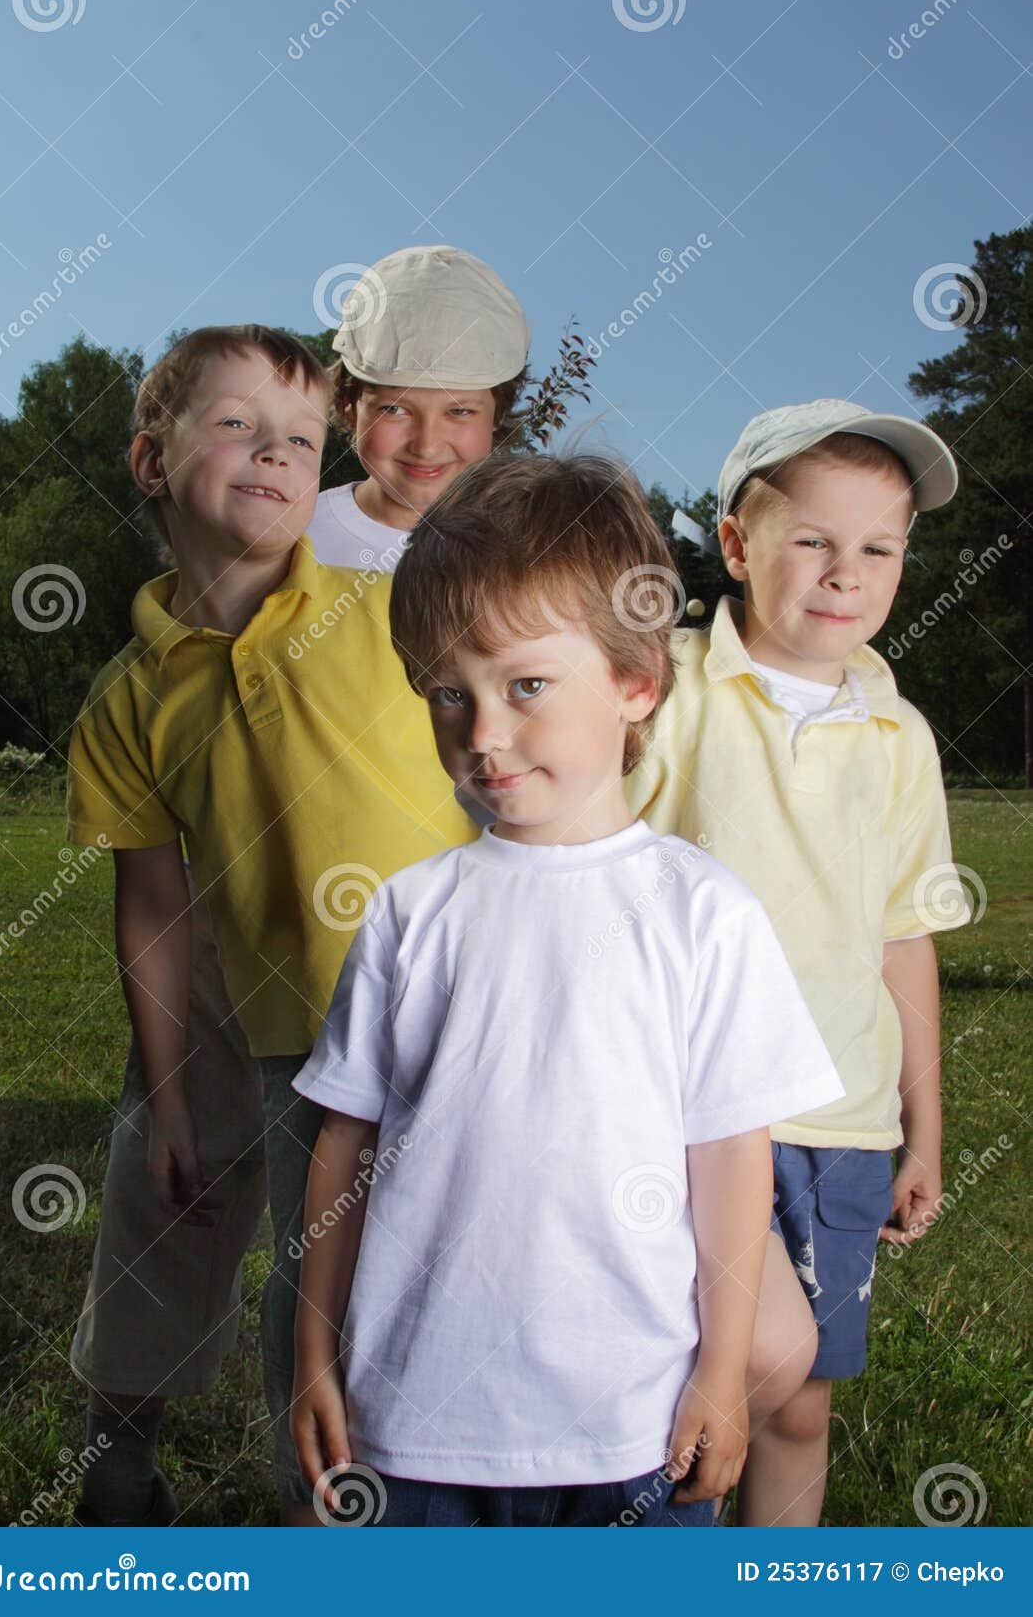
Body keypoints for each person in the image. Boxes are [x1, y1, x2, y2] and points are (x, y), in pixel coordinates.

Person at [290, 453, 844, 1528]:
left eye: (524, 685)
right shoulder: (409, 912)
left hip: (633, 1424)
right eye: (448, 693)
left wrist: (719, 1373)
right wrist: (315, 1352)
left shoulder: (703, 913)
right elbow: (341, 1145)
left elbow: (731, 1157)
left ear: (634, 681)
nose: (481, 734)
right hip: (412, 1419)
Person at [69, 249, 533, 1527]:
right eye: (387, 406)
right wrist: (163, 1081)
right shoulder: (190, 633)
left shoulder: (423, 587)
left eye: (462, 412)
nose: (422, 439)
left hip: (382, 976)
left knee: (337, 1258)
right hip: (229, 954)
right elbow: (150, 894)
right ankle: (120, 1445)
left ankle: (328, 1491)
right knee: (166, 1183)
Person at [626, 399, 971, 1525]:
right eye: (812, 539)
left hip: (838, 1121)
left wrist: (921, 1123)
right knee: (683, 1390)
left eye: (877, 547)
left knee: (797, 1402)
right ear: (734, 544)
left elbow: (900, 935)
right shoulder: (660, 689)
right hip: (677, 1110)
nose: (844, 572)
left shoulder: (895, 732)